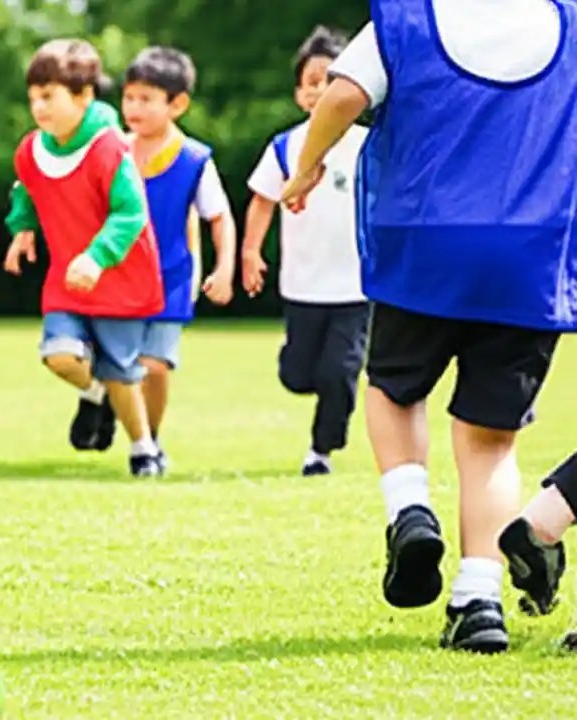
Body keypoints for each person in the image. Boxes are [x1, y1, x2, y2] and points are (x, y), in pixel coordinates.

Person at [283, 0, 577, 653]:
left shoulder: (407, 18)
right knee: (491, 439)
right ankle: (480, 603)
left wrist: (306, 167)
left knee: (393, 387)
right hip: (528, 253)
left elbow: (342, 96)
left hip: (422, 240)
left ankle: (410, 506)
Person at [4, 39, 166, 477]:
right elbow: (26, 188)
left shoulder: (108, 148)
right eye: (34, 96)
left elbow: (131, 213)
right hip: (66, 278)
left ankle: (143, 447)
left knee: (123, 373)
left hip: (119, 277)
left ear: (83, 95)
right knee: (58, 355)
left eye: (49, 96)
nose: (39, 107)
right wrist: (22, 228)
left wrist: (96, 257)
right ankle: (94, 394)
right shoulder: (32, 149)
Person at [242, 26, 369, 477]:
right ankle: (303, 372)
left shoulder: (367, 146)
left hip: (355, 286)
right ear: (299, 94)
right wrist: (250, 253)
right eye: (311, 81)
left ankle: (321, 451)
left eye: (331, 80)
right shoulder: (285, 146)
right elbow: (261, 200)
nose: (320, 90)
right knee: (297, 375)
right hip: (302, 284)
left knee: (340, 371)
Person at [118, 45, 236, 465]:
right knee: (116, 364)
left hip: (171, 275)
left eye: (146, 99)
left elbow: (219, 217)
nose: (134, 107)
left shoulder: (194, 160)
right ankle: (105, 405)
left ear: (177, 104)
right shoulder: (112, 151)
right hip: (116, 277)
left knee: (155, 366)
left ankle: (147, 444)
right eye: (129, 96)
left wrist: (224, 269)